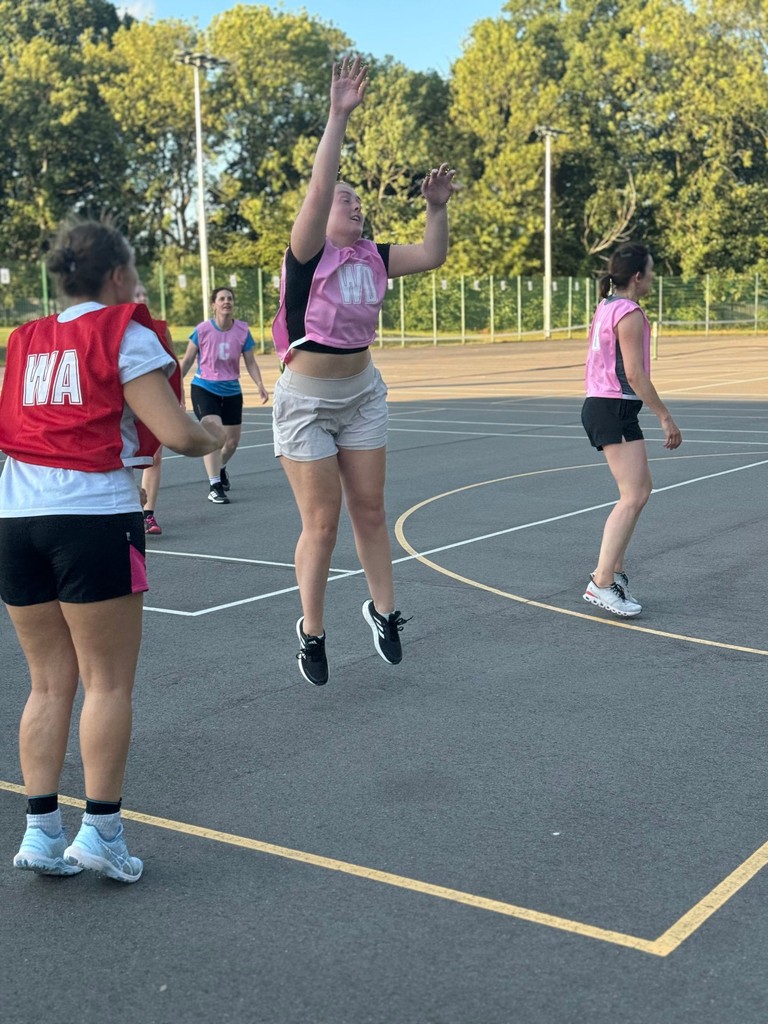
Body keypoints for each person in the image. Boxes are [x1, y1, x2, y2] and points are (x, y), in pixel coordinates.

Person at [0, 219, 224, 882]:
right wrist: (211, 434)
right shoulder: (122, 334)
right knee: (107, 682)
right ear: (119, 276)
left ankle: (41, 832)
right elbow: (175, 434)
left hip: (16, 515)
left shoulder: (27, 341)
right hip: (92, 517)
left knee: (46, 683)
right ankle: (101, 833)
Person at [271, 55, 459, 685]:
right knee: (321, 523)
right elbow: (322, 185)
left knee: (371, 511)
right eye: (341, 199)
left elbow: (433, 253)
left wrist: (436, 207)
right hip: (305, 400)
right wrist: (338, 115)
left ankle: (385, 612)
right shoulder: (306, 255)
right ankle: (312, 631)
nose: (349, 203)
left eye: (356, 200)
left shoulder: (375, 256)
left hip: (361, 393)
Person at [580, 242, 682, 617]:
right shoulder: (630, 312)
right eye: (651, 271)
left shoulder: (607, 304)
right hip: (613, 407)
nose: (653, 277)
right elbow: (634, 374)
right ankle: (601, 582)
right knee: (634, 495)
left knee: (639, 492)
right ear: (638, 276)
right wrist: (665, 416)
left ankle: (614, 573)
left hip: (608, 406)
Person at [179, 287, 269, 504]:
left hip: (231, 390)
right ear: (214, 305)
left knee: (231, 442)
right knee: (213, 435)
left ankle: (220, 469)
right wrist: (176, 386)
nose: (226, 302)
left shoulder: (242, 330)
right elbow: (188, 360)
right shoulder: (202, 330)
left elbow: (250, 361)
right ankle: (214, 485)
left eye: (229, 298)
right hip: (204, 388)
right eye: (221, 299)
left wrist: (260, 385)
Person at [134, 281, 173, 535]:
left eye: (144, 294)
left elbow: (173, 362)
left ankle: (148, 514)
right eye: (136, 294)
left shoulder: (159, 328)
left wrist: (176, 399)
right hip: (126, 403)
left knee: (154, 457)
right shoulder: (114, 329)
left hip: (154, 400)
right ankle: (126, 508)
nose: (141, 297)